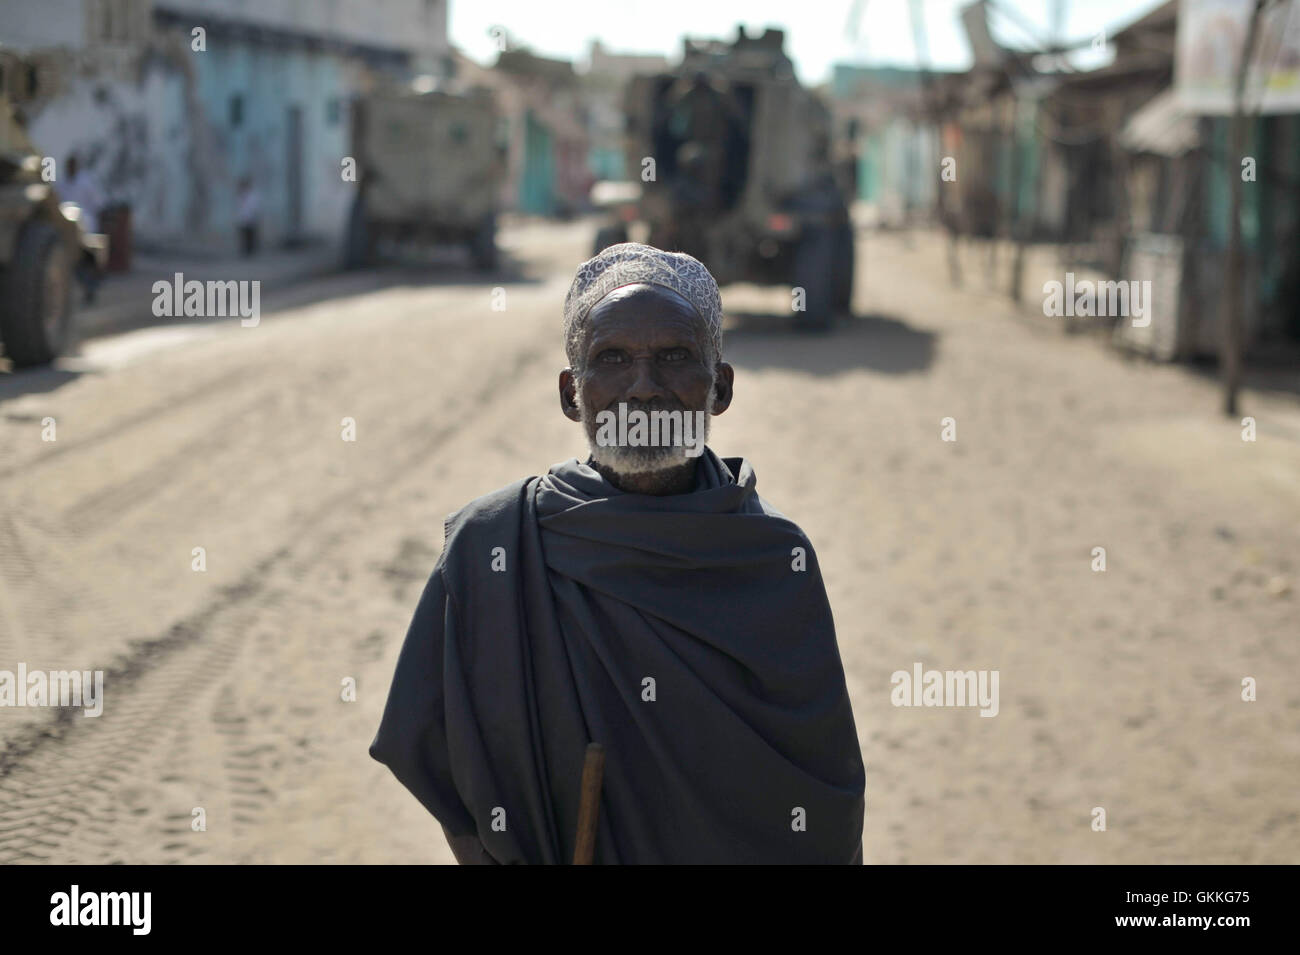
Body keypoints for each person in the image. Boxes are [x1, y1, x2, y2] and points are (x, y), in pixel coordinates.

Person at [369, 242, 865, 864]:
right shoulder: (494, 545)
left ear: (721, 387)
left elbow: (824, 799)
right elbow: (434, 759)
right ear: (571, 393)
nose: (644, 388)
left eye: (676, 357)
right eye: (611, 359)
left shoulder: (772, 560)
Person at [62, 154, 105, 304]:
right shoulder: (61, 183)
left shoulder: (86, 183)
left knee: (85, 262)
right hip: (68, 230)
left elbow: (98, 205)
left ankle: (90, 290)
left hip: (86, 228)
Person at [236, 176, 260, 257]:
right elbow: (239, 208)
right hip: (243, 219)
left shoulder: (252, 196)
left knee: (251, 236)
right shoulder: (240, 196)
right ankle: (245, 251)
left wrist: (253, 216)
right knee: (244, 236)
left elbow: (254, 207)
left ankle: (251, 251)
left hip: (251, 219)